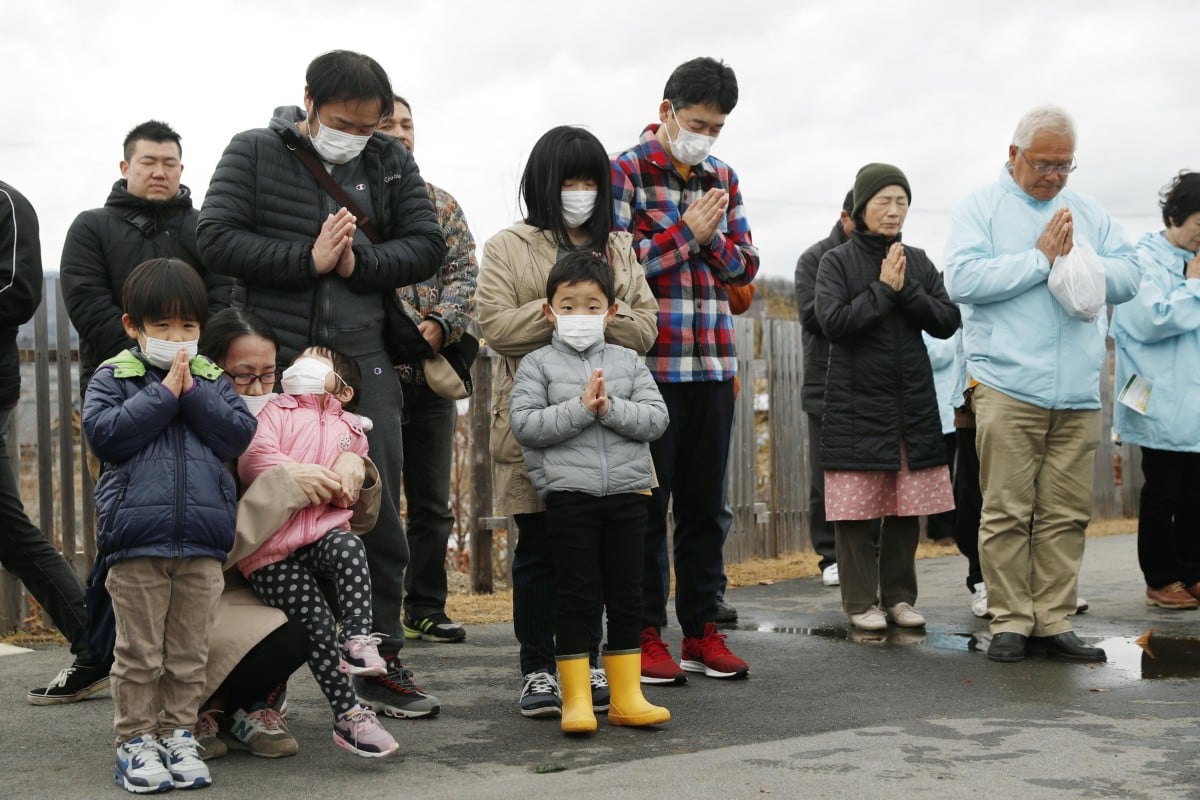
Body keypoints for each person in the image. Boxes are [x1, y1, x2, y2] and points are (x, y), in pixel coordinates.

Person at [197, 50, 446, 690]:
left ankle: (380, 659)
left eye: (368, 127)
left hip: (362, 361)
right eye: (342, 122)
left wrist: (357, 264)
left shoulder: (391, 163)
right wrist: (304, 260)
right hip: (275, 358)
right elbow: (215, 238)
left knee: (373, 507)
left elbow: (425, 246)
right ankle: (259, 686)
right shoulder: (253, 151)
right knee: (266, 514)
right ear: (308, 100)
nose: (355, 138)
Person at [944, 105, 1140, 663]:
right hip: (1007, 384)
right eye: (1044, 164)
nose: (1054, 176)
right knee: (1006, 508)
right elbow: (962, 278)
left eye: (1064, 166)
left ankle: (1053, 619)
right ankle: (1010, 620)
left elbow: (1131, 274)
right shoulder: (979, 208)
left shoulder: (1089, 212)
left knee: (1066, 511)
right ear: (1013, 155)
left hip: (1078, 389)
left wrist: (1088, 264)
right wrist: (1039, 260)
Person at [477, 125, 658, 716]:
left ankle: (592, 664)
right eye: (568, 180)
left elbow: (645, 329)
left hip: (614, 438)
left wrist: (599, 314)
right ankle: (538, 668)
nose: (579, 192)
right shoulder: (509, 246)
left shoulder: (621, 247)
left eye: (589, 181)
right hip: (539, 424)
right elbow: (496, 328)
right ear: (543, 183)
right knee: (540, 551)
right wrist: (560, 310)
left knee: (605, 561)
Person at [83, 258, 256, 793]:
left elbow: (238, 435)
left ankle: (178, 732)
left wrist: (193, 392)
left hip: (202, 541)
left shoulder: (212, 379)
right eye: (162, 327)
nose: (177, 338)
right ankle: (135, 741)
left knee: (187, 650)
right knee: (139, 651)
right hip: (136, 540)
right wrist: (164, 396)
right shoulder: (116, 375)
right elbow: (104, 435)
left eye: (188, 326)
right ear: (133, 325)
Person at [612, 56, 757, 683]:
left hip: (713, 366)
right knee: (648, 506)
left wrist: (710, 238)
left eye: (716, 127)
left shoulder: (723, 176)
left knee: (705, 508)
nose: (705, 137)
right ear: (667, 110)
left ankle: (702, 629)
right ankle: (646, 631)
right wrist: (684, 234)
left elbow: (747, 268)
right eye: (697, 123)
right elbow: (614, 267)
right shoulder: (626, 171)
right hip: (651, 368)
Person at [510, 252, 671, 735]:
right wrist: (581, 409)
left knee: (627, 594)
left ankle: (626, 696)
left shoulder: (629, 361)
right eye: (569, 305)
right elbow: (525, 425)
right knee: (576, 595)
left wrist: (608, 408)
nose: (581, 316)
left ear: (612, 310)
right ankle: (576, 698)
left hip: (628, 493)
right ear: (549, 310)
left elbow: (657, 419)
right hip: (570, 496)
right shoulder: (536, 365)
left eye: (592, 305)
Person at [815, 163, 960, 632]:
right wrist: (882, 290)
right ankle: (860, 603)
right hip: (856, 403)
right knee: (856, 510)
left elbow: (946, 319)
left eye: (902, 201)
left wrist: (906, 290)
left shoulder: (916, 260)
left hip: (910, 403)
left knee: (904, 506)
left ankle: (899, 597)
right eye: (884, 201)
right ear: (861, 208)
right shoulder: (836, 261)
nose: (894, 210)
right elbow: (833, 322)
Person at [236, 346, 398, 758]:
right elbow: (254, 459)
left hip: (320, 536)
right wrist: (310, 475)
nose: (302, 366)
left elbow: (350, 499)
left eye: (317, 362)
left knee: (349, 547)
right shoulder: (276, 409)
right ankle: (347, 712)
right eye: (301, 359)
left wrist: (351, 472)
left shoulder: (352, 430)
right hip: (270, 550)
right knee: (318, 622)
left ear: (342, 390)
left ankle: (360, 639)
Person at [0, 181, 108, 705]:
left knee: (10, 530)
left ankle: (98, 642)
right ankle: (97, 642)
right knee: (9, 531)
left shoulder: (6, 204)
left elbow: (19, 292)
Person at [377, 94, 478, 644]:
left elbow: (466, 272)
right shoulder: (353, 203)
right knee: (376, 502)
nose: (400, 131)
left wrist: (439, 321)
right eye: (388, 122)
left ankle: (426, 606)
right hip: (373, 378)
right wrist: (404, 328)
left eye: (407, 122)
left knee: (432, 506)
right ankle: (377, 614)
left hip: (434, 377)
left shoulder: (441, 204)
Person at [61, 120, 227, 401]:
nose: (159, 173)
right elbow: (88, 306)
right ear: (125, 168)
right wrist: (144, 357)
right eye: (148, 162)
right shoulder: (91, 227)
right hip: (116, 381)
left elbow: (223, 298)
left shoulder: (206, 227)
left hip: (198, 381)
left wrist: (191, 357)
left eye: (169, 164)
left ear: (181, 170)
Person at [1111, 171, 1200, 610]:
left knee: (1195, 490)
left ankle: (1192, 572)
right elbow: (1151, 320)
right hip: (1152, 392)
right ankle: (1161, 577)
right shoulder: (1142, 258)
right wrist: (1196, 284)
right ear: (1173, 215)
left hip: (1194, 396)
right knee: (1162, 488)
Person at [794, 189, 855, 587]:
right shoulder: (814, 258)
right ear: (846, 217)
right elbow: (815, 316)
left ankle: (870, 554)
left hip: (875, 381)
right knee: (825, 473)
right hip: (826, 380)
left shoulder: (890, 253)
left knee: (872, 473)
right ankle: (829, 555)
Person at [923, 329, 960, 546]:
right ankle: (940, 531)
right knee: (939, 474)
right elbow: (935, 356)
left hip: (954, 410)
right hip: (937, 413)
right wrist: (955, 337)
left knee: (958, 474)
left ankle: (955, 527)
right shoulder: (929, 328)